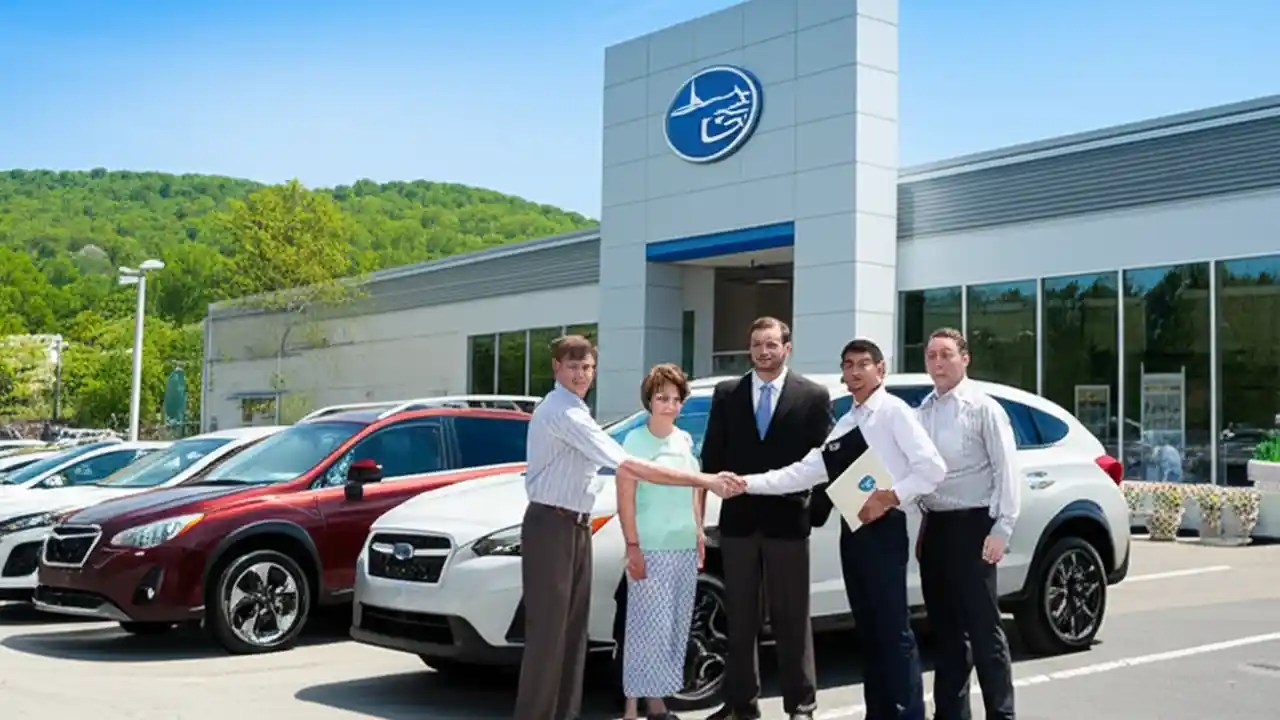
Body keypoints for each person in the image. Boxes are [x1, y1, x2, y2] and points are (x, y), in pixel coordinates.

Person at [515, 335, 744, 720]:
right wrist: (705, 480)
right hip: (552, 526)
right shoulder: (563, 412)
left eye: (587, 367)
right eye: (573, 366)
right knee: (549, 636)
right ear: (556, 368)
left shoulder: (579, 411)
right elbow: (628, 465)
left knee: (572, 635)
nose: (581, 374)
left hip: (576, 525)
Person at [742, 338, 946, 720]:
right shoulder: (846, 423)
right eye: (848, 364)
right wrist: (745, 483)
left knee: (892, 631)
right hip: (853, 532)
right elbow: (804, 472)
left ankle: (908, 714)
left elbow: (933, 469)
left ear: (880, 370)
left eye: (863, 364)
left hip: (885, 530)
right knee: (868, 632)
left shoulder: (894, 413)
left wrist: (890, 497)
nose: (854, 372)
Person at [699, 317, 833, 720]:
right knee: (740, 619)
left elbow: (827, 461)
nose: (763, 351)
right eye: (757, 343)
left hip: (788, 524)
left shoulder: (812, 396)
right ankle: (741, 703)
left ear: (787, 348)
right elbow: (712, 455)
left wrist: (814, 513)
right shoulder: (728, 393)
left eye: (771, 344)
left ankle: (801, 705)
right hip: (738, 524)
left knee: (792, 619)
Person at [915, 328, 1019, 720]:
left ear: (965, 359)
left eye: (946, 354)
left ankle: (1001, 715)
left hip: (975, 526)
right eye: (931, 356)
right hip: (936, 528)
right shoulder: (922, 410)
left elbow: (1007, 471)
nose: (938, 363)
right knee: (946, 634)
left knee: (984, 630)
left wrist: (1002, 528)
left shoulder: (983, 408)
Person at [616, 363, 704, 720]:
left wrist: (699, 532)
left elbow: (695, 488)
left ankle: (657, 702)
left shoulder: (684, 440)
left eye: (675, 399)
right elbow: (625, 498)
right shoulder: (634, 442)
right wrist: (632, 546)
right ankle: (636, 705)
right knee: (647, 629)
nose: (668, 405)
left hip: (684, 545)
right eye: (661, 398)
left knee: (674, 629)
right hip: (651, 546)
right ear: (649, 401)